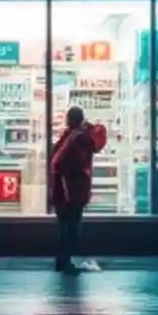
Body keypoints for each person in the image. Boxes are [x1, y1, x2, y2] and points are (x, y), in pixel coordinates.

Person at [50, 106, 107, 273]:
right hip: (73, 191)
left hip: (63, 190)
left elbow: (57, 161)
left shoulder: (69, 137)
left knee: (65, 228)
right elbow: (96, 141)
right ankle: (64, 262)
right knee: (71, 228)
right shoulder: (81, 137)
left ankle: (63, 262)